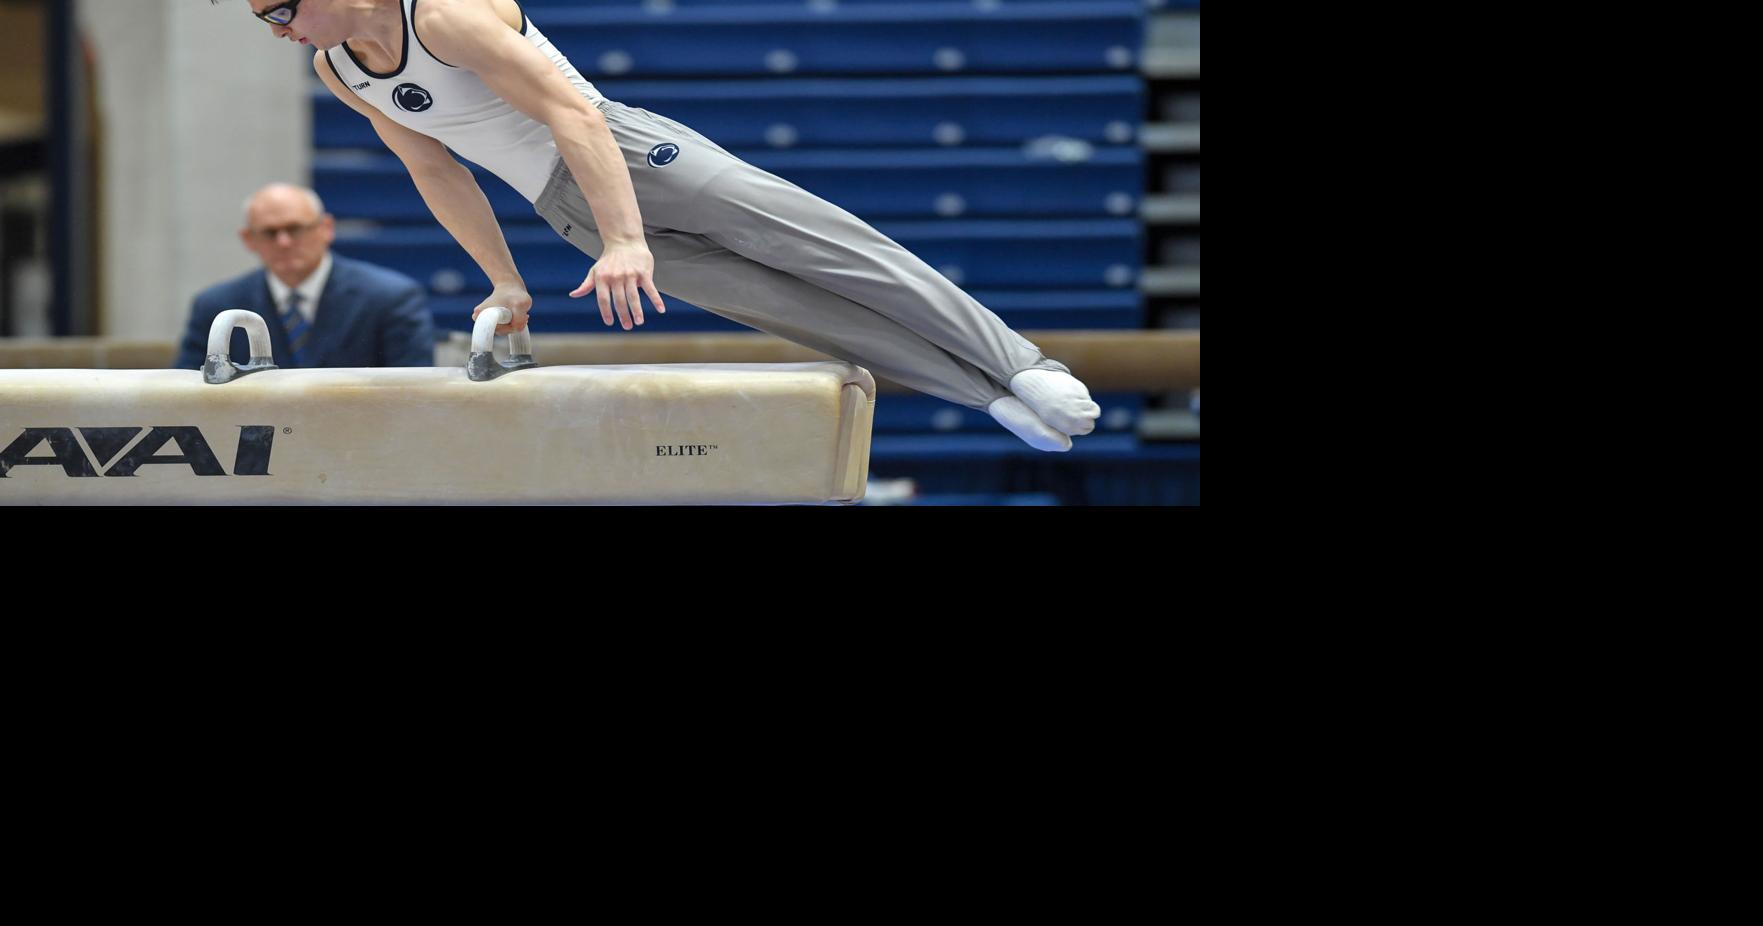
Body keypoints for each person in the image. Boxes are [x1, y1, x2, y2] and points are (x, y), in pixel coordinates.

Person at [226, 0, 1099, 450]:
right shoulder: (342, 71)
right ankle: (984, 397)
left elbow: (575, 117)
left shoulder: (446, 15)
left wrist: (628, 238)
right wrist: (504, 278)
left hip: (630, 157)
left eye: (280, 12)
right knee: (793, 310)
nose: (276, 32)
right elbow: (435, 169)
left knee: (831, 250)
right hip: (563, 209)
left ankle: (1021, 363)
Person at [174, 182, 435, 370]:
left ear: (326, 228)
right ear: (248, 239)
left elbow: (413, 395)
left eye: (295, 228)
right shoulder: (217, 306)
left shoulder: (390, 298)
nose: (284, 242)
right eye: (269, 232)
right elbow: (187, 394)